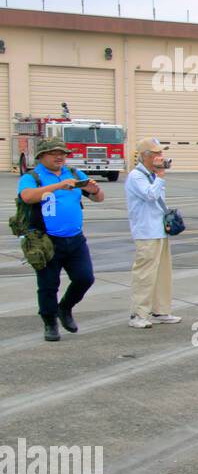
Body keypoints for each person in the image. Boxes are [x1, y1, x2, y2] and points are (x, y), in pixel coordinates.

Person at [16, 137, 104, 342]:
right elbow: (27, 197)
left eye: (62, 153)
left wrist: (94, 190)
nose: (59, 157)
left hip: (75, 239)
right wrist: (59, 186)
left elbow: (99, 198)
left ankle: (64, 308)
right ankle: (50, 322)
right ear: (41, 156)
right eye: (54, 153)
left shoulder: (73, 173)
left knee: (85, 278)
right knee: (48, 285)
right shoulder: (33, 176)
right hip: (46, 241)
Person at [124, 137, 180, 328]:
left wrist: (158, 176)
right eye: (156, 153)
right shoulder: (136, 176)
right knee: (144, 274)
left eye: (160, 153)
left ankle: (161, 310)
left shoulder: (152, 175)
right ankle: (138, 314)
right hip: (146, 232)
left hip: (159, 231)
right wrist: (161, 176)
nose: (160, 157)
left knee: (163, 273)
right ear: (145, 155)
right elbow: (150, 195)